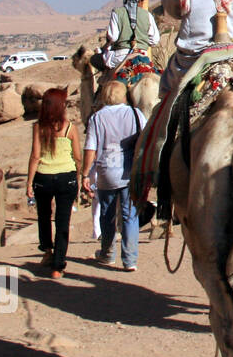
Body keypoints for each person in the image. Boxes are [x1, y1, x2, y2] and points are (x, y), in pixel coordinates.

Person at [81, 81, 145, 272]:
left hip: (106, 172)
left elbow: (90, 148)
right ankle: (130, 259)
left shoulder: (96, 118)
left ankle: (108, 253)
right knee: (130, 215)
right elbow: (145, 139)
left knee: (107, 214)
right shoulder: (136, 114)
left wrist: (85, 174)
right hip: (130, 171)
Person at [26, 88, 81, 277]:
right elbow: (78, 157)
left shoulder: (38, 127)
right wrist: (80, 178)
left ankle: (47, 251)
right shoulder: (69, 128)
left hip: (43, 176)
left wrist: (29, 182)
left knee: (44, 215)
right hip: (66, 177)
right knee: (62, 221)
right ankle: (58, 266)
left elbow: (35, 156)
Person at [100, 0, 160, 71]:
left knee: (97, 59)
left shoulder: (117, 13)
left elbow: (113, 37)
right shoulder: (148, 15)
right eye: (142, 0)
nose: (142, 3)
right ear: (138, 0)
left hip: (120, 57)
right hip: (142, 57)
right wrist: (142, 42)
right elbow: (155, 40)